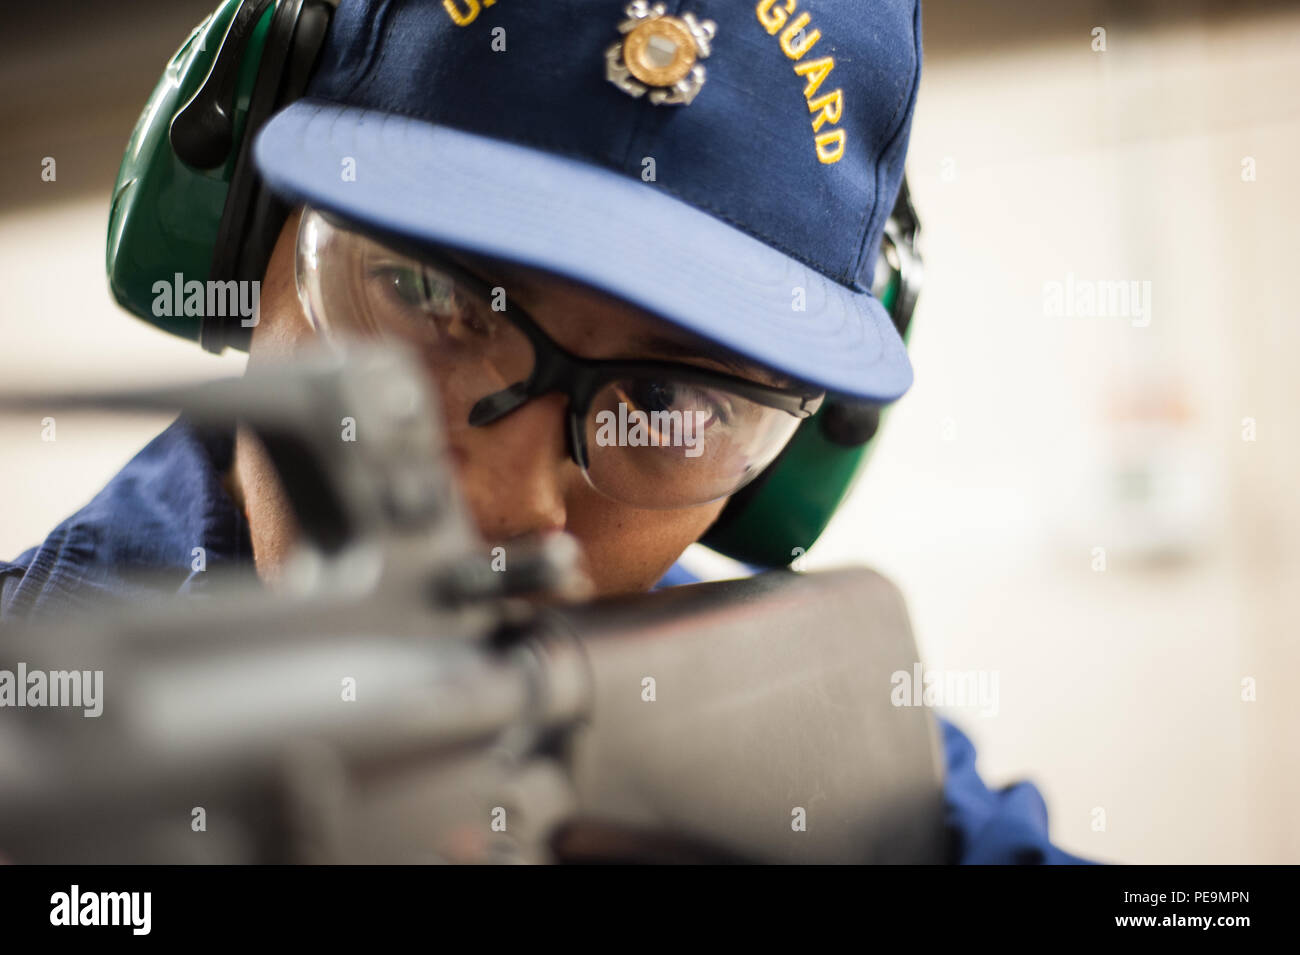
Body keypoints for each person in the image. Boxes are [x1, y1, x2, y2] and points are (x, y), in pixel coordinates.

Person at [0, 0, 1090, 863]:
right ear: (247, 229)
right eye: (430, 298)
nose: (509, 501)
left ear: (794, 460)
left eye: (672, 406)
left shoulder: (755, 722)